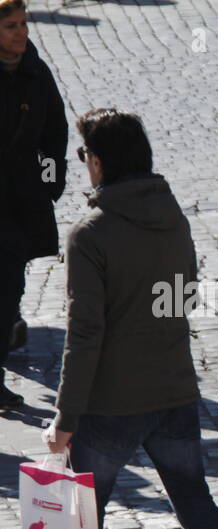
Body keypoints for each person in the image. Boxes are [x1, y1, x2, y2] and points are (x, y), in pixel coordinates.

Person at [6, 110, 218, 529]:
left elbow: (86, 333)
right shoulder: (172, 218)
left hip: (110, 404)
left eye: (84, 157)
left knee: (82, 515)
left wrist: (64, 416)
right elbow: (183, 296)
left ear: (98, 162)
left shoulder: (90, 234)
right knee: (199, 510)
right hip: (173, 390)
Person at [0, 0, 66, 409]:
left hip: (20, 201)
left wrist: (49, 185)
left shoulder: (36, 73)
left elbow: (54, 135)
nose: (21, 33)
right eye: (11, 26)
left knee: (9, 290)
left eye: (23, 24)